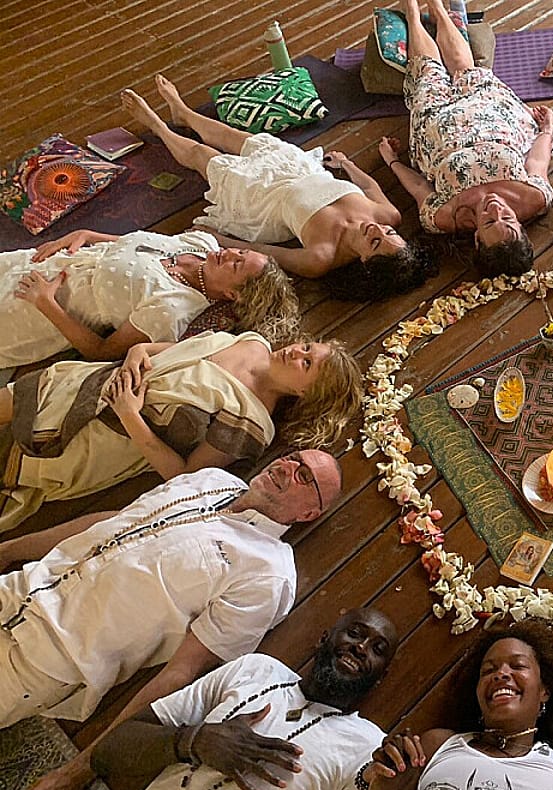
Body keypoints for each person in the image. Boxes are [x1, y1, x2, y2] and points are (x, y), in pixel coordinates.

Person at [1, 450, 341, 790]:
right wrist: (9, 550)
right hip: (16, 587)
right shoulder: (214, 480)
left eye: (304, 475)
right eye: (292, 458)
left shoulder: (268, 575)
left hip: (43, 656)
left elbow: (181, 673)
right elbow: (113, 522)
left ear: (309, 513)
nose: (287, 467)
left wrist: (77, 772)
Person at [0, 330, 361, 532]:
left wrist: (130, 416)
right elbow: (174, 351)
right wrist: (137, 351)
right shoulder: (254, 343)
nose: (297, 351)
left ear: (304, 393)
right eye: (308, 347)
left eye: (307, 363)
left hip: (104, 440)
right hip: (83, 383)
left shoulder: (251, 423)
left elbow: (186, 477)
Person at [121, 76, 434, 296]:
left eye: (376, 243)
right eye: (389, 234)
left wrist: (217, 237)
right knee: (237, 138)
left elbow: (264, 252)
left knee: (204, 156)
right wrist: (346, 165)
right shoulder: (387, 214)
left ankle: (157, 126)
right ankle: (184, 113)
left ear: (365, 260)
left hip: (264, 199)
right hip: (300, 170)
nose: (377, 231)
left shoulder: (320, 258)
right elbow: (369, 185)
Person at [91, 607, 399, 790]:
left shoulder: (368, 745)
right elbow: (107, 754)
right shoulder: (256, 670)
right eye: (355, 633)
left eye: (377, 649)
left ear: (379, 678)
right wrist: (193, 741)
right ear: (323, 639)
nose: (360, 647)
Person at [380, 0, 553, 277]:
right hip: (492, 119)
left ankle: (412, 13)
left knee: (428, 73)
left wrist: (391, 161)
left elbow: (417, 187)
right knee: (467, 69)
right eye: (508, 219)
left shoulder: (442, 218)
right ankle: (438, 9)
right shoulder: (535, 198)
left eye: (488, 222)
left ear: (476, 239)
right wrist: (548, 129)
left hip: (438, 128)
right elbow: (537, 161)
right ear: (521, 226)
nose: (496, 209)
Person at [360, 620, 553, 790]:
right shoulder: (437, 745)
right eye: (488, 670)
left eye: (517, 666)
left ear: (545, 691)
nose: (501, 674)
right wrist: (384, 785)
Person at [3, 227, 299, 369]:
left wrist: (45, 302)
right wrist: (84, 234)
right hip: (37, 262)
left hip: (37, 307)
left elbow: (102, 352)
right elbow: (132, 243)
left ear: (232, 293)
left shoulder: (171, 310)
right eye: (242, 252)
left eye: (237, 264)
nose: (231, 253)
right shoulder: (200, 243)